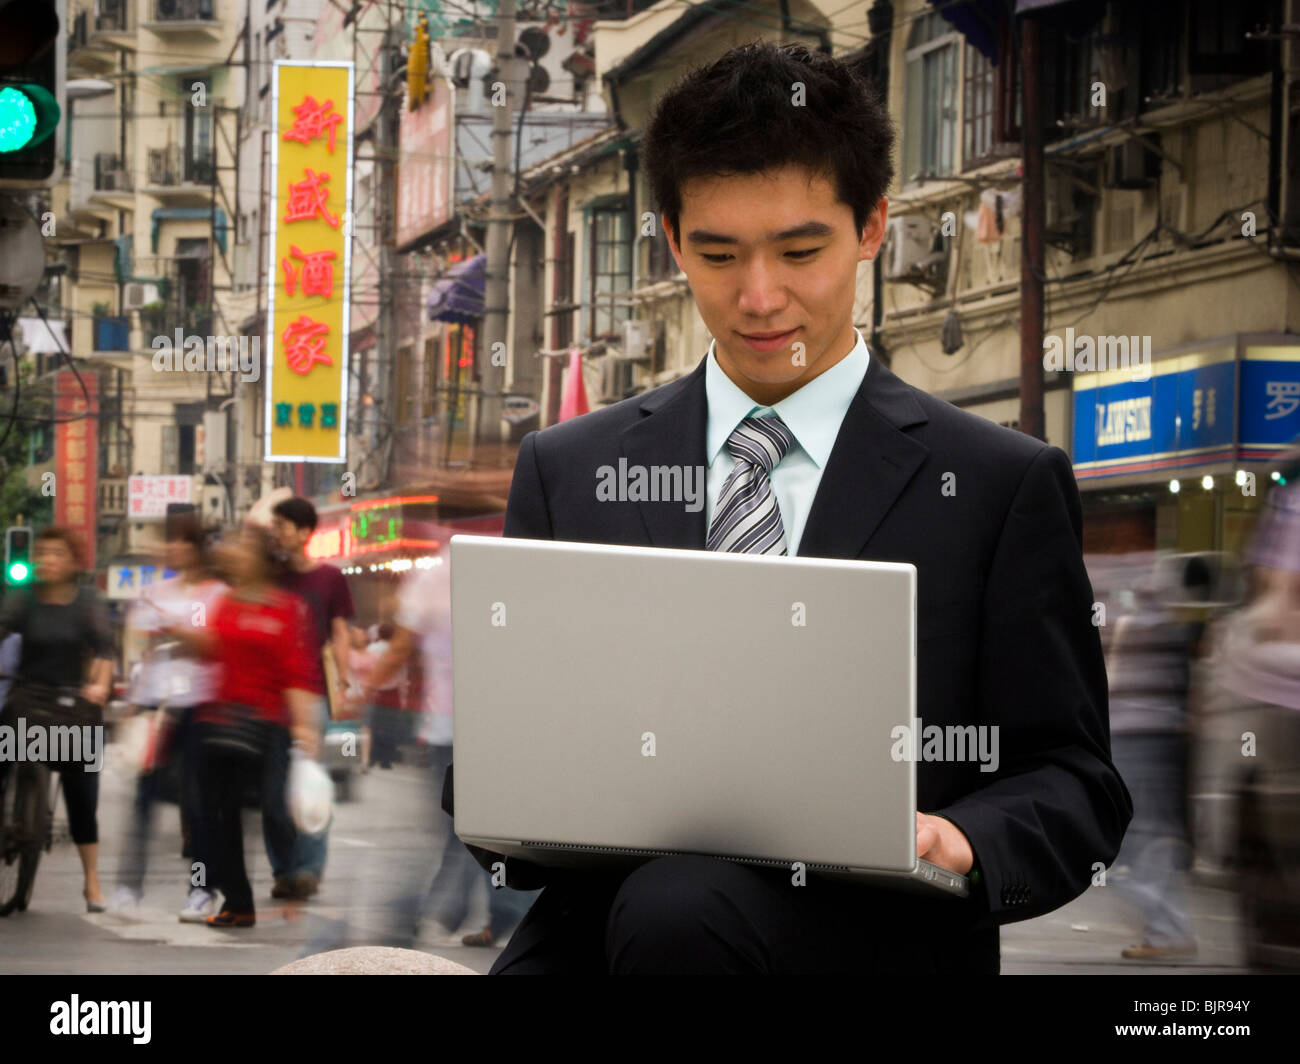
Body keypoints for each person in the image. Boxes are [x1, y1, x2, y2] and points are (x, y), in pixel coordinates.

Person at [442, 41, 1133, 974]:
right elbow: (494, 770)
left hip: (874, 944)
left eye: (801, 251)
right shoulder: (573, 469)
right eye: (719, 254)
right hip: (606, 937)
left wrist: (960, 841)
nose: (760, 299)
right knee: (667, 905)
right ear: (674, 241)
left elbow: (1078, 785)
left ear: (873, 227)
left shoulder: (996, 485)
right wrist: (509, 792)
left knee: (681, 908)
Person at [166, 524, 319, 928]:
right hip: (218, 720)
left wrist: (305, 729)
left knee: (272, 806)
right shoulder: (226, 602)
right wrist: (180, 635)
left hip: (268, 726)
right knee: (218, 815)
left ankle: (289, 874)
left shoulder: (285, 607)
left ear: (262, 559)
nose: (233, 551)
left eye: (243, 546)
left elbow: (297, 672)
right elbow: (211, 648)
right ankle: (238, 902)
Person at [113, 514, 227, 921]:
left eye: (182, 541)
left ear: (197, 547)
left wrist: (175, 629)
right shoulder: (155, 590)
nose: (173, 548)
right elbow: (143, 642)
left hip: (198, 703)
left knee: (197, 803)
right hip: (155, 703)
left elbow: (210, 643)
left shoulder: (215, 593)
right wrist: (133, 698)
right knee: (144, 799)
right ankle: (129, 886)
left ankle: (202, 889)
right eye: (170, 541)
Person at [0, 527, 115, 912]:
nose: (47, 560)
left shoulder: (87, 601)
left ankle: (92, 881)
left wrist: (97, 685)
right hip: (29, 696)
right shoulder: (24, 597)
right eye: (42, 553)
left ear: (72, 562)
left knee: (81, 790)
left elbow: (103, 650)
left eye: (57, 554)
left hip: (71, 701)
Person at [268, 495, 355, 899]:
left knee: (309, 784)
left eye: (284, 526)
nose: (277, 532)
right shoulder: (270, 576)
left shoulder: (329, 580)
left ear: (305, 532)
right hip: (270, 697)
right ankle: (283, 868)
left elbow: (338, 631)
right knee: (272, 792)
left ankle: (308, 869)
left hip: (312, 693)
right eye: (275, 525)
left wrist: (343, 681)